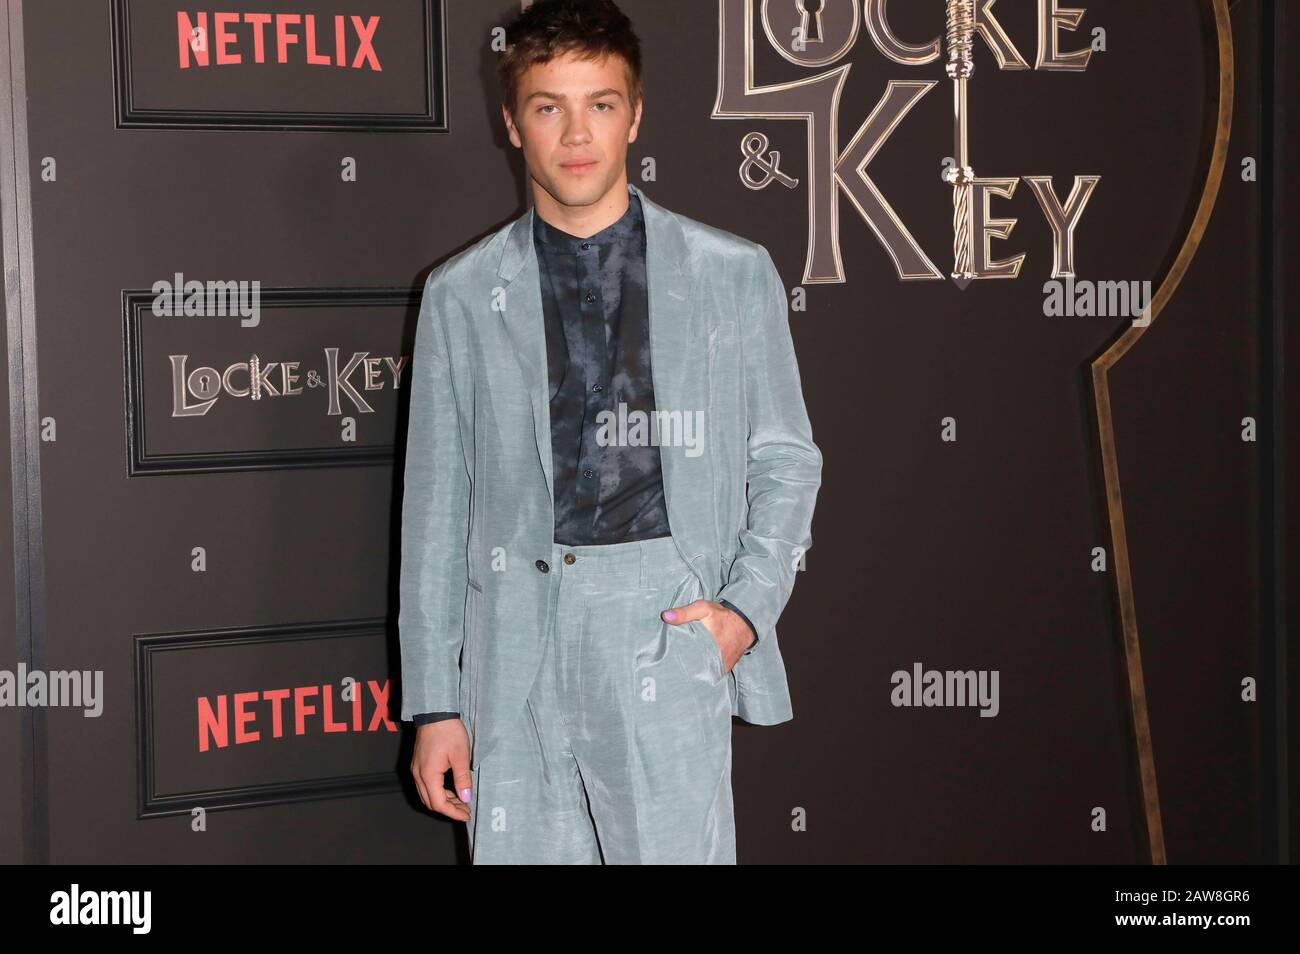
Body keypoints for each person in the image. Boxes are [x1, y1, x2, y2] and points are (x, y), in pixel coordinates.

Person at [398, 0, 821, 864]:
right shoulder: (460, 295)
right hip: (514, 641)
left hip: (664, 627)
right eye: (549, 106)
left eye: (600, 103)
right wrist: (436, 704)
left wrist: (741, 612)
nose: (576, 132)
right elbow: (436, 511)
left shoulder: (731, 274)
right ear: (512, 123)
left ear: (636, 115)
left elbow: (785, 461)